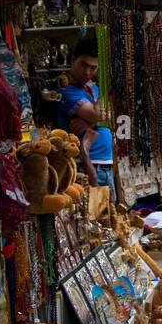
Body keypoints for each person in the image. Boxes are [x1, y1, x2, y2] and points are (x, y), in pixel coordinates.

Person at [57, 37, 122, 203]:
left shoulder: (92, 87)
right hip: (85, 164)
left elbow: (112, 115)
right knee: (95, 216)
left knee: (108, 215)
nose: (87, 72)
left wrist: (89, 122)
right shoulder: (65, 88)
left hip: (103, 163)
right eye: (83, 65)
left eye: (93, 68)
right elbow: (99, 114)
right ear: (73, 60)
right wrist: (96, 118)